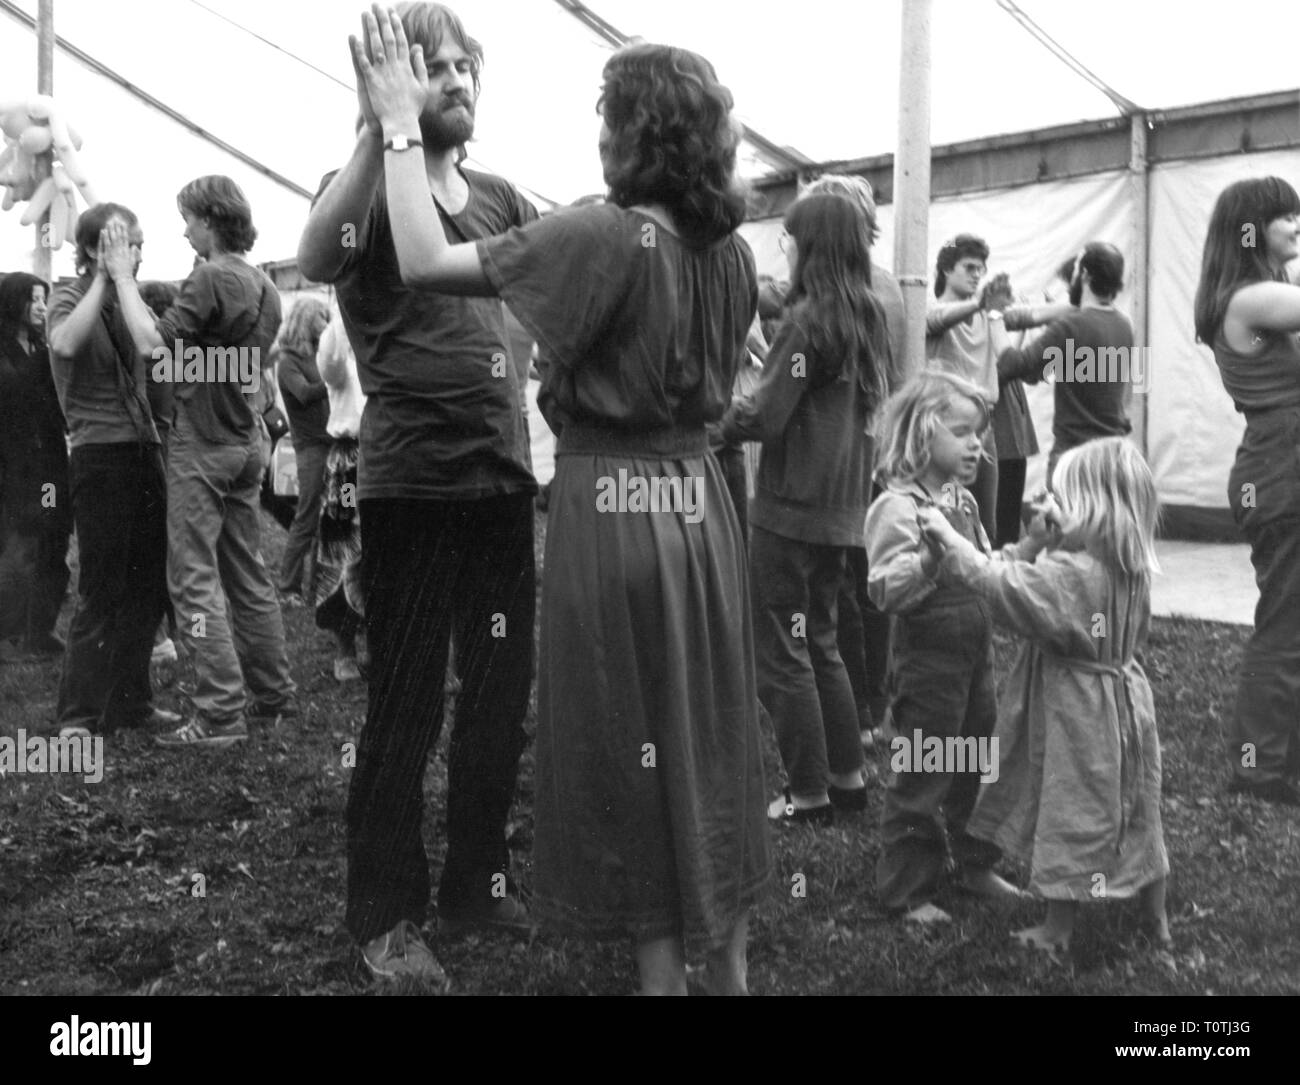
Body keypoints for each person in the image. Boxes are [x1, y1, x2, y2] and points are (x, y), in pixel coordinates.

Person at [353, 10, 771, 995]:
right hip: (699, 507)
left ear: (632, 132)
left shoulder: (600, 232)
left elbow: (419, 257)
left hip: (609, 510)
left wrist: (397, 126)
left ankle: (660, 973)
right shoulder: (734, 252)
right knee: (701, 731)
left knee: (630, 742)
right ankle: (730, 971)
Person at [298, 2, 539, 989]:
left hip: (500, 481)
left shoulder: (497, 195)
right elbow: (318, 257)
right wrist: (373, 123)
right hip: (412, 489)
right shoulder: (360, 186)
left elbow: (547, 295)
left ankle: (477, 880)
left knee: (496, 696)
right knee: (404, 708)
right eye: (433, 68)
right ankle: (382, 915)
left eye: (464, 68)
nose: (455, 82)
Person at [919, 437, 1171, 953]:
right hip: (1126, 699)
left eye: (1061, 501)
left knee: (1071, 807)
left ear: (1096, 511)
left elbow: (1004, 585)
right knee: (1139, 806)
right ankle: (1156, 917)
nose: (1046, 508)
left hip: (1078, 710)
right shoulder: (1128, 567)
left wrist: (949, 539)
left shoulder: (1070, 574)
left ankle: (1057, 930)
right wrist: (1044, 539)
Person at [108, 176, 296, 750]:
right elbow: (237, 364)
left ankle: (218, 712)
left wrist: (121, 275)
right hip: (246, 443)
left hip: (204, 443)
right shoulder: (266, 285)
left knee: (191, 578)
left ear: (212, 220)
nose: (184, 229)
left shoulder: (210, 276)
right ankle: (272, 693)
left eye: (189, 219)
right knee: (247, 572)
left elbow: (151, 347)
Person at [722, 192, 889, 822]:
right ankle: (847, 781)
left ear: (809, 245)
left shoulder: (805, 319)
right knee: (821, 641)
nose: (783, 248)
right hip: (842, 515)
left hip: (790, 511)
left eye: (789, 238)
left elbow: (765, 415)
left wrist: (713, 420)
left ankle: (808, 792)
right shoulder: (866, 315)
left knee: (783, 649)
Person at [865, 371, 1022, 924]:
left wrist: (1031, 549)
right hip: (929, 664)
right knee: (924, 770)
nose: (977, 443)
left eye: (979, 433)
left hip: (973, 657)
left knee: (976, 762)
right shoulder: (897, 507)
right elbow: (885, 589)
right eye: (962, 432)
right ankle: (908, 888)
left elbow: (981, 567)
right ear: (920, 435)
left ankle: (975, 863)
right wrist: (929, 562)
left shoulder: (961, 500)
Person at [45, 204, 174, 738]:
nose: (137, 256)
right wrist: (105, 275)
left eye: (139, 245)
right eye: (129, 244)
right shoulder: (67, 296)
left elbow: (155, 350)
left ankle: (130, 703)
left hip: (144, 448)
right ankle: (79, 715)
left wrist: (124, 283)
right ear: (98, 249)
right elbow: (66, 343)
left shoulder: (130, 296)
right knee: (101, 585)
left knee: (147, 584)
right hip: (100, 455)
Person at [1193, 177, 1300, 806]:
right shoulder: (1253, 296)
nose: (1296, 224)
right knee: (1285, 624)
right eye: (1285, 216)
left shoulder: (1259, 295)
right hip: (1283, 465)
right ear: (1251, 230)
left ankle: (1276, 761)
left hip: (1279, 462)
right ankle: (1257, 770)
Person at [802, 174, 907, 746]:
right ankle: (874, 707)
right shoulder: (885, 286)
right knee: (871, 582)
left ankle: (856, 713)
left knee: (841, 586)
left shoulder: (847, 289)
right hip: (878, 446)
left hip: (846, 454)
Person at [926, 235, 1073, 536]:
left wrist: (1084, 304)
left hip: (985, 432)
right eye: (969, 267)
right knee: (950, 518)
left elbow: (1031, 315)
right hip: (947, 435)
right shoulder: (935, 310)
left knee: (987, 526)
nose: (977, 273)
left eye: (980, 268)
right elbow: (936, 319)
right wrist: (980, 304)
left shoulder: (986, 313)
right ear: (946, 271)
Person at [997, 243, 1135, 487]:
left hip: (1073, 460)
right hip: (1111, 459)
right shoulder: (1124, 326)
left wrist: (992, 315)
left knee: (1063, 524)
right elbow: (1038, 372)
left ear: (1084, 275)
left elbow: (1010, 365)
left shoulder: (1071, 327)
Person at [0, 272, 71, 658]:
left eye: (46, 299)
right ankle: (11, 634)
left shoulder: (43, 347)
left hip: (49, 467)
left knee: (52, 542)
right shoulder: (8, 353)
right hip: (16, 468)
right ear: (15, 304)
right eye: (36, 300)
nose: (44, 308)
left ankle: (40, 629)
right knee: (22, 548)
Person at [312, 303, 367, 683]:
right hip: (350, 461)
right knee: (344, 552)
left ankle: (380, 642)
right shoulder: (337, 341)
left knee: (386, 555)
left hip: (392, 455)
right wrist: (346, 313)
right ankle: (344, 647)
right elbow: (331, 363)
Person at [273, 296, 331, 604]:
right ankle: (287, 588)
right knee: (307, 518)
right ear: (307, 321)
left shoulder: (317, 355)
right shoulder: (288, 361)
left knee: (330, 519)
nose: (327, 323)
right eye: (322, 318)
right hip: (310, 448)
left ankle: (317, 588)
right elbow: (305, 394)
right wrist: (334, 382)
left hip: (329, 444)